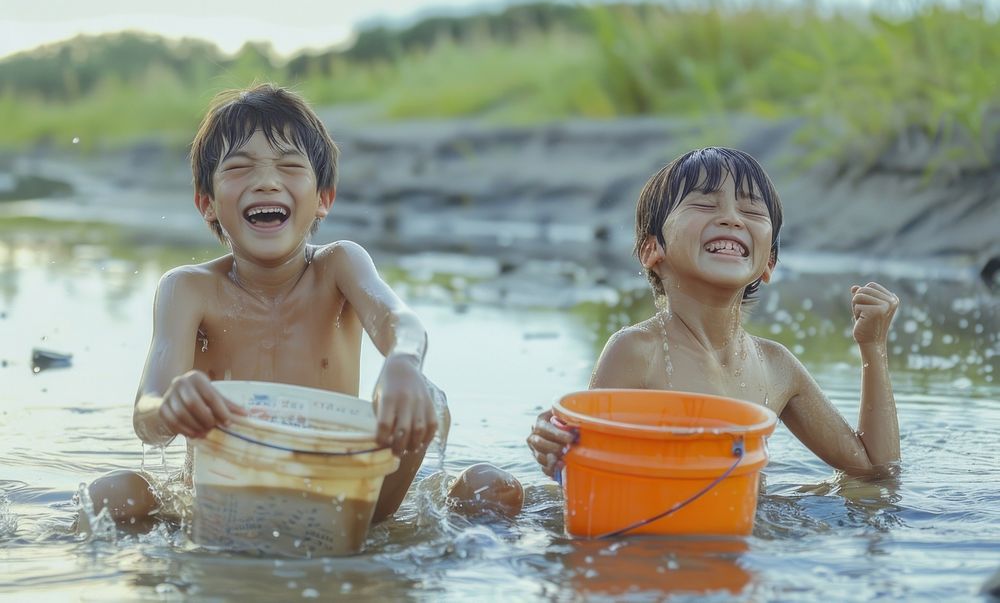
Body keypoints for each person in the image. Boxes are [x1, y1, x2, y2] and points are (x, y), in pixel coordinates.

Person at [84, 83, 446, 530]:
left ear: (324, 199)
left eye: (290, 166)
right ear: (207, 205)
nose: (267, 180)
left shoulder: (339, 266)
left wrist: (403, 361)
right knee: (111, 495)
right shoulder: (188, 289)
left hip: (338, 499)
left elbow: (400, 321)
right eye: (239, 168)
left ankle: (375, 539)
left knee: (434, 404)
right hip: (221, 504)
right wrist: (169, 405)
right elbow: (147, 416)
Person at [527, 146, 900, 481]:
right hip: (658, 539)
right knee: (490, 486)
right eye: (705, 205)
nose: (732, 219)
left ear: (768, 262)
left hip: (734, 530)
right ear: (652, 250)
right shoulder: (638, 351)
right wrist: (557, 446)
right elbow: (588, 470)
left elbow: (874, 468)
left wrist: (873, 347)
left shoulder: (776, 367)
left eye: (752, 209)